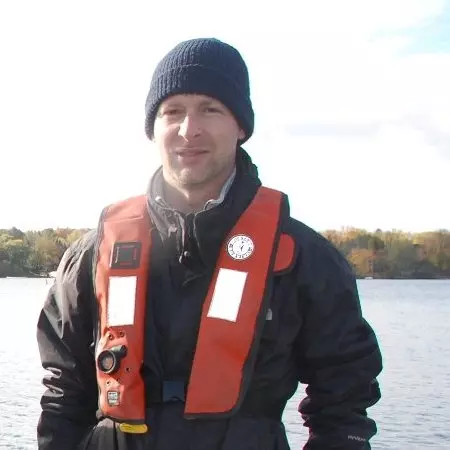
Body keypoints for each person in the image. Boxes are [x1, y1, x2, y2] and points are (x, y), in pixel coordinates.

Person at [36, 37, 382, 450]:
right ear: (154, 129)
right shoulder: (94, 255)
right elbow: (63, 395)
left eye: (210, 109)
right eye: (173, 112)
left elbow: (344, 398)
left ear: (240, 126)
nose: (189, 129)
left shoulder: (299, 256)